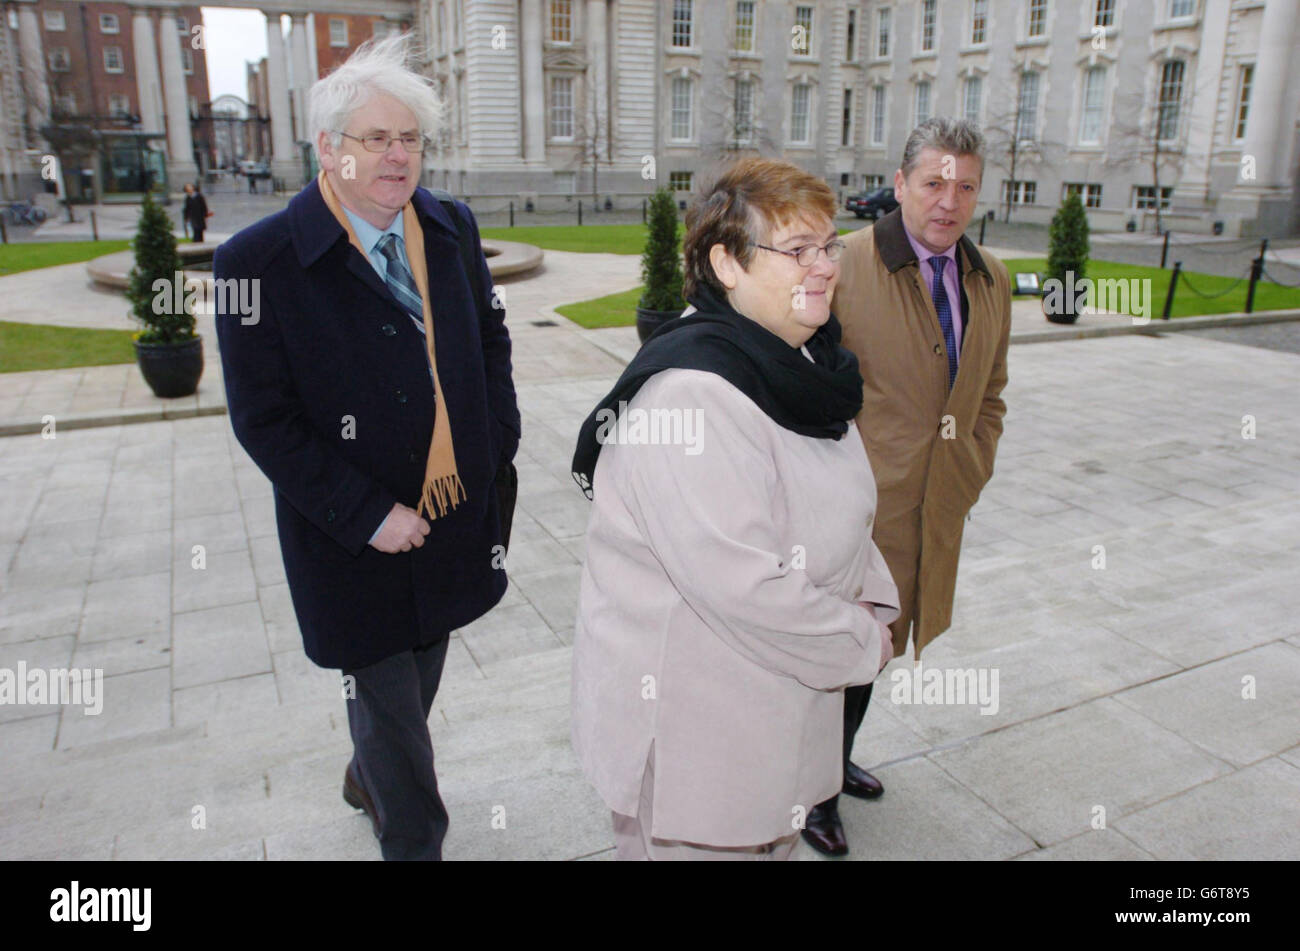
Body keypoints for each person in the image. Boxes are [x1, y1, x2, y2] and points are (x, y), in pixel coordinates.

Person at [213, 33, 520, 861]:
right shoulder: (256, 264)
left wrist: (495, 443)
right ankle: (412, 839)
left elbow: (490, 341)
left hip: (454, 509)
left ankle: (365, 773)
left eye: (411, 138)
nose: (398, 156)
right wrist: (365, 511)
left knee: (420, 670)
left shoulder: (450, 225)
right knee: (388, 696)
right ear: (328, 148)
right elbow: (263, 419)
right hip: (352, 535)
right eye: (376, 138)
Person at [570, 158, 899, 860]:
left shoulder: (801, 363)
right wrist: (860, 639)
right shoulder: (693, 396)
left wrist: (870, 594)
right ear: (726, 263)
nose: (824, 267)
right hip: (701, 735)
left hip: (772, 708)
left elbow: (840, 507)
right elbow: (742, 584)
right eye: (796, 249)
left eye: (828, 245)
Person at [802, 117, 1012, 856]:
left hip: (933, 509)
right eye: (932, 182)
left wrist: (971, 465)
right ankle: (813, 790)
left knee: (880, 648)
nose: (948, 201)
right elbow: (798, 380)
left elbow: (989, 395)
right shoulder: (844, 266)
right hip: (855, 515)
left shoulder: (992, 279)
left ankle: (833, 761)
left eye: (965, 186)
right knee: (839, 655)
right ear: (899, 186)